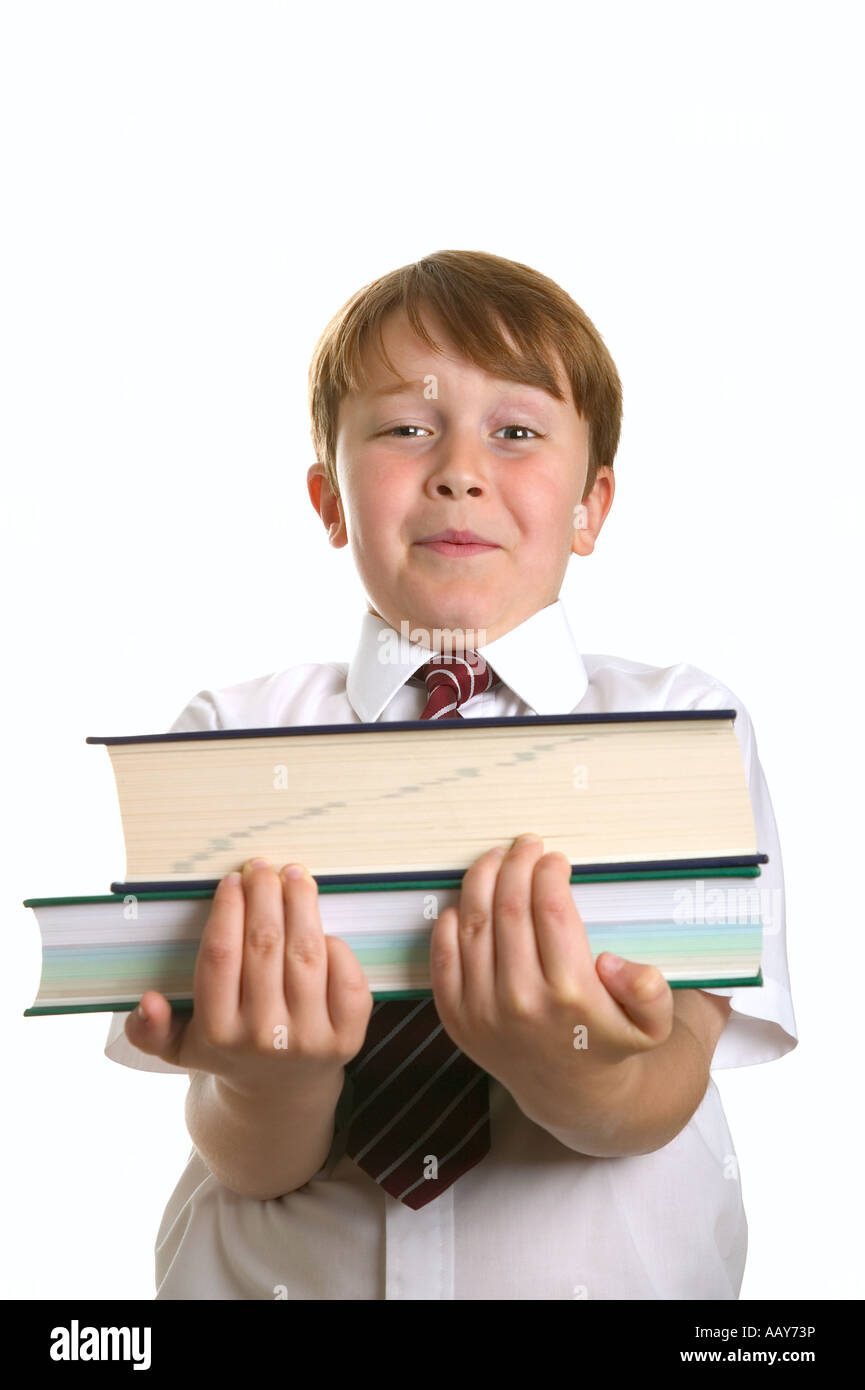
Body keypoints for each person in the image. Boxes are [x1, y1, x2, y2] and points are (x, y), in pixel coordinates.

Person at [103, 249, 797, 1299]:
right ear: (329, 500)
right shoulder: (229, 738)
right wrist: (273, 1083)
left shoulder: (680, 729)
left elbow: (669, 1076)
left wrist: (572, 1063)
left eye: (515, 432)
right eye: (404, 429)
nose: (459, 467)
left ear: (590, 506)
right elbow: (248, 1155)